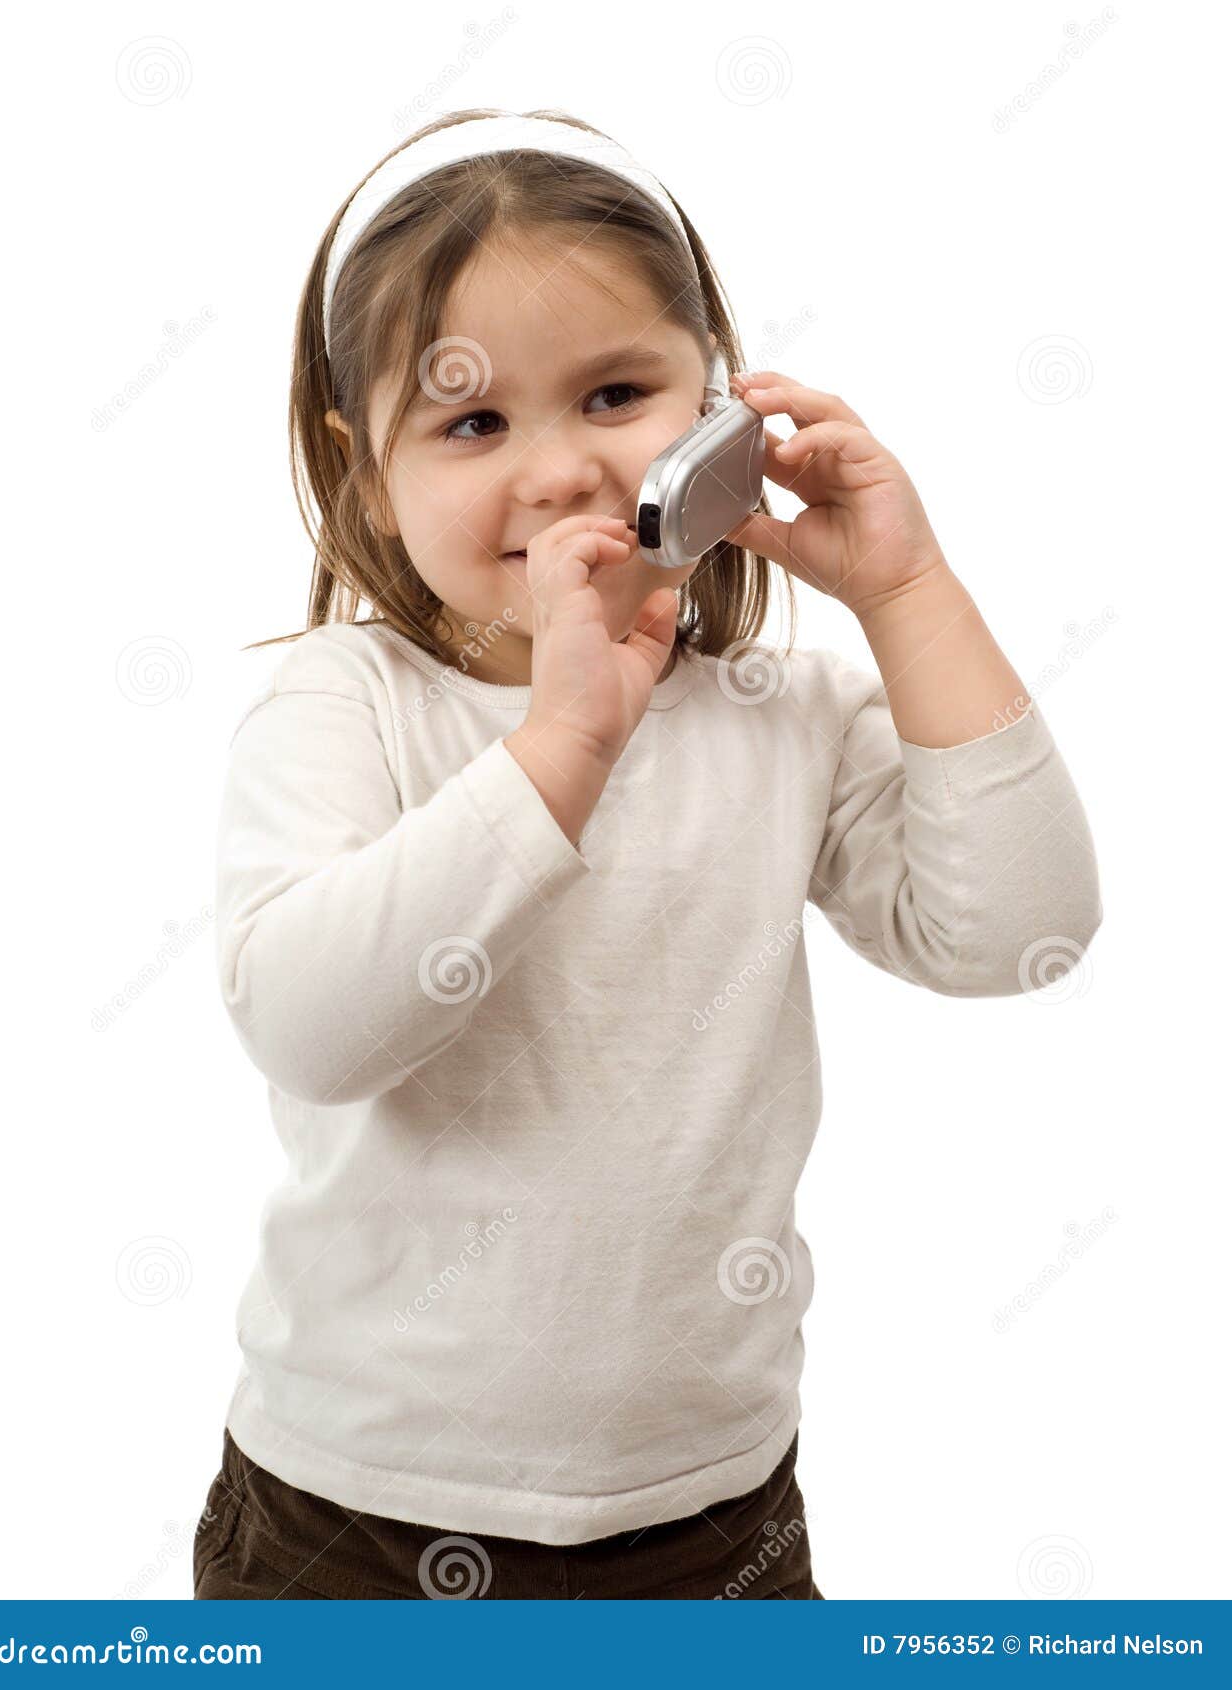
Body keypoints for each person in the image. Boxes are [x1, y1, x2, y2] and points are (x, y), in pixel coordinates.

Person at [193, 106, 1102, 1601]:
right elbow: (309, 1026)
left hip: (710, 1508)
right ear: (367, 476)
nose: (556, 471)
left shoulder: (779, 713)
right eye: (473, 421)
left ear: (719, 415)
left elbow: (1016, 933)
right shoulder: (342, 704)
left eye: (613, 392)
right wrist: (559, 748)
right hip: (357, 1506)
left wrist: (906, 590)